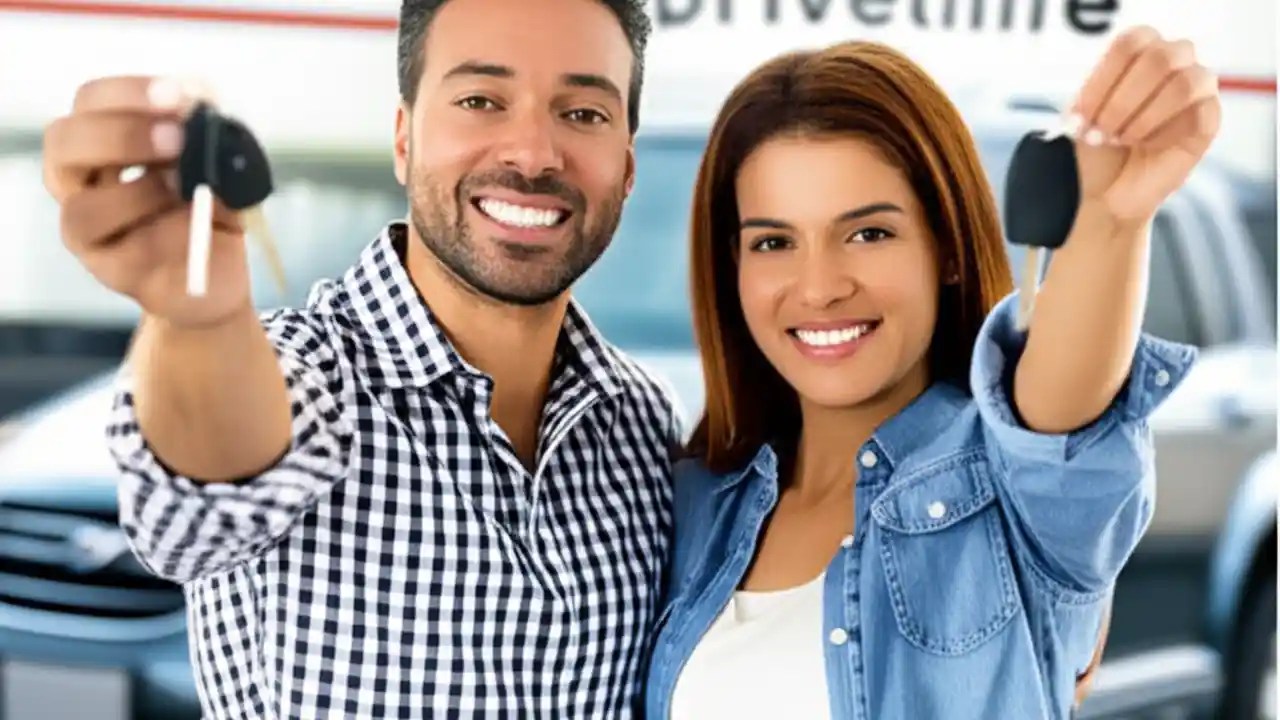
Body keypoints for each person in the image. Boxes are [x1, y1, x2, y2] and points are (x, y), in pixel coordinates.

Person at [41, 0, 682, 717]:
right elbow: (215, 471)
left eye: (584, 113)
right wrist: (198, 319)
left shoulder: (647, 422)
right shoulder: (309, 373)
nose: (532, 154)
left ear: (627, 165)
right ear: (404, 139)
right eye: (480, 100)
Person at [645, 27, 1218, 720]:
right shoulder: (696, 506)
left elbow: (1058, 416)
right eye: (773, 242)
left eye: (868, 233)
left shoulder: (1006, 493)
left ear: (945, 248)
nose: (819, 286)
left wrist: (1110, 220)